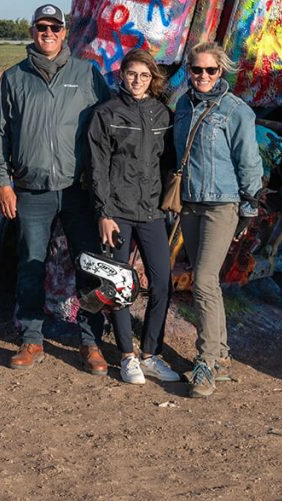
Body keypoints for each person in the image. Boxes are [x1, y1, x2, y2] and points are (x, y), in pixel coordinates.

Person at [0, 3, 111, 373]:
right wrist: (3, 182)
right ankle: (31, 339)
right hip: (32, 190)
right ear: (32, 31)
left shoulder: (88, 74)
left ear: (65, 32)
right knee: (31, 264)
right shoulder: (14, 77)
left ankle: (91, 342)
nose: (48, 33)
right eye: (41, 27)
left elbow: (108, 124)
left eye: (55, 27)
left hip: (77, 190)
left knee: (88, 266)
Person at [86, 47, 180, 385]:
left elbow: (169, 162)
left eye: (144, 75)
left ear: (152, 79)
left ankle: (151, 354)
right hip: (117, 212)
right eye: (131, 74)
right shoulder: (106, 114)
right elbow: (97, 168)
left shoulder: (162, 115)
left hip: (153, 212)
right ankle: (127, 357)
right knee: (120, 286)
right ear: (121, 75)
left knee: (160, 283)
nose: (137, 81)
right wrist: (104, 213)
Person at [174, 41, 263, 398]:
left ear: (221, 71)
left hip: (222, 204)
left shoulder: (235, 110)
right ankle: (222, 357)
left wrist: (249, 207)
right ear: (189, 70)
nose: (204, 76)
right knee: (204, 280)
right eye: (197, 70)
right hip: (191, 203)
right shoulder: (183, 105)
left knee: (205, 282)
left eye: (211, 70)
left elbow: (249, 161)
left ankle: (205, 363)